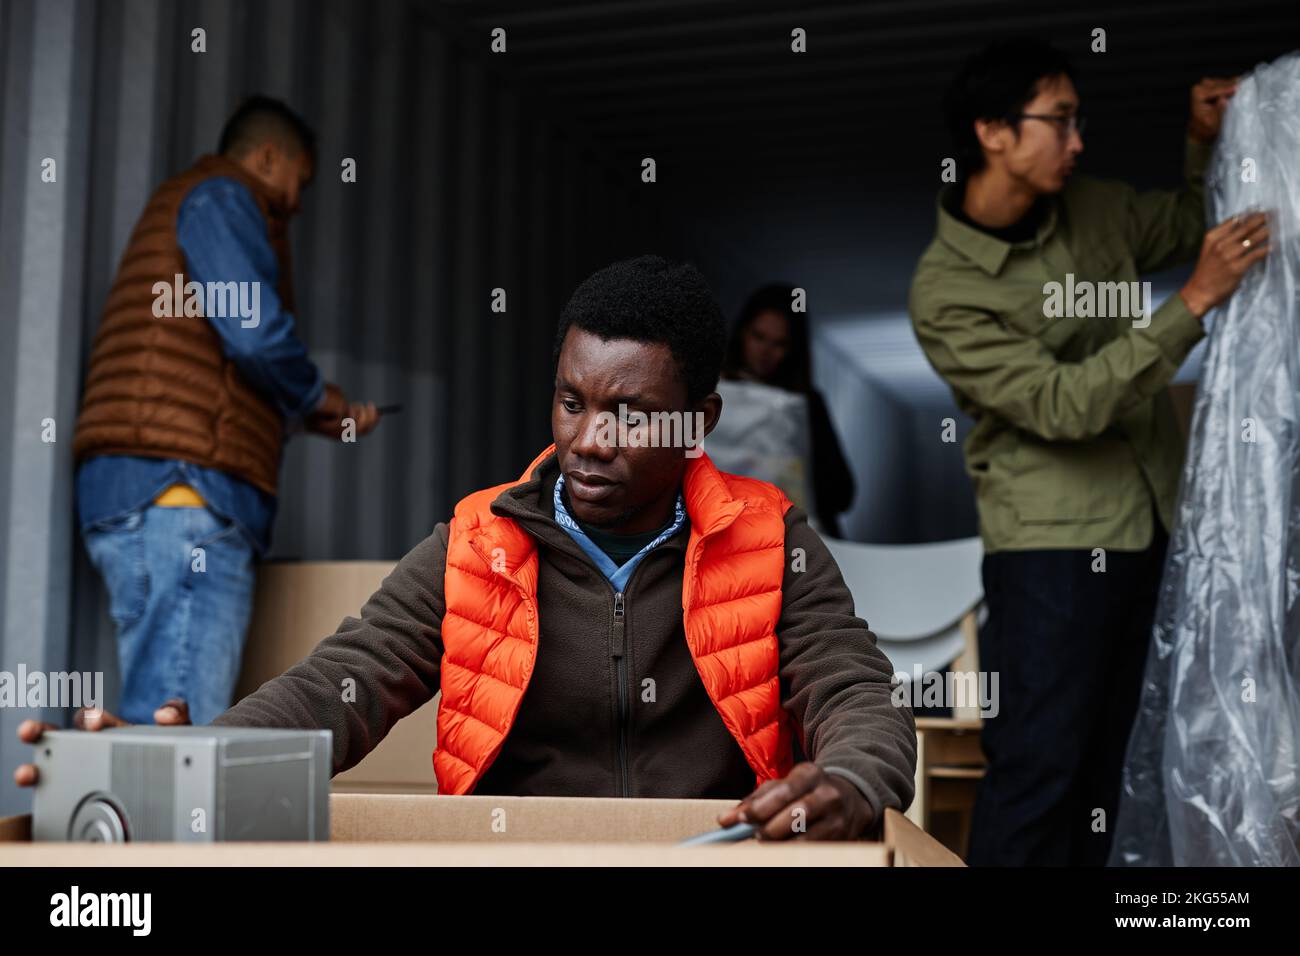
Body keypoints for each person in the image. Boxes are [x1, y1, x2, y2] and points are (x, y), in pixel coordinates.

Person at [21, 256, 916, 842]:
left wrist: (849, 779)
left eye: (631, 415)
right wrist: (185, 761)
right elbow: (343, 683)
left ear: (699, 421)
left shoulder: (770, 539)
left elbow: (853, 690)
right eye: (572, 402)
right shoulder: (479, 542)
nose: (590, 441)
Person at [909, 37, 1267, 865]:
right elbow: (1061, 404)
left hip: (1154, 524)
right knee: (1040, 767)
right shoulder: (945, 291)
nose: (1079, 141)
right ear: (993, 132)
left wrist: (1203, 142)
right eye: (1060, 120)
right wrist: (1193, 302)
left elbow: (1196, 224)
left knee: (1122, 766)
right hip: (1051, 551)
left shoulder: (1097, 208)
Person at [70, 96, 381, 727]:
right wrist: (317, 395)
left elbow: (221, 363)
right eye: (300, 180)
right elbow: (255, 334)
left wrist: (306, 414)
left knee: (159, 725)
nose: (297, 202)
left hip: (157, 494)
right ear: (268, 157)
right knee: (180, 734)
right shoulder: (223, 197)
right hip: (184, 496)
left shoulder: (200, 202)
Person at [719, 284, 856, 538]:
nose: (765, 352)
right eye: (758, 337)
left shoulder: (805, 404)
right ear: (742, 333)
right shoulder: (709, 392)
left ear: (793, 350)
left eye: (779, 344)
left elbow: (841, 492)